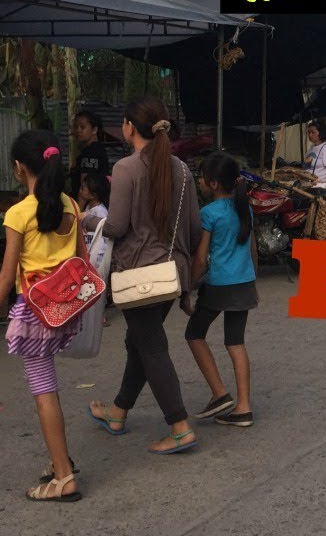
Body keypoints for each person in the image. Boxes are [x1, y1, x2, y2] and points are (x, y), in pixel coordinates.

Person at [83, 97, 203, 455]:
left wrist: (86, 218)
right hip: (171, 273)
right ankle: (118, 411)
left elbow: (116, 226)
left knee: (150, 346)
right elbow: (194, 228)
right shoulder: (181, 169)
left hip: (137, 273)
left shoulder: (126, 169)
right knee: (139, 342)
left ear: (129, 127)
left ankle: (180, 427)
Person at [0, 130, 84, 502]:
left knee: (44, 392)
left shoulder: (19, 213)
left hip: (34, 313)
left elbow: (7, 275)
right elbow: (82, 259)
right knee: (47, 386)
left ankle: (64, 477)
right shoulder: (70, 205)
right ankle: (59, 461)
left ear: (19, 168)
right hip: (64, 308)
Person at [185, 152, 259, 428]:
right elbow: (252, 249)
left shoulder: (209, 213)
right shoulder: (245, 208)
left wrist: (189, 288)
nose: (200, 182)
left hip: (219, 285)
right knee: (235, 343)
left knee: (194, 333)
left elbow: (201, 259)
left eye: (202, 178)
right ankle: (243, 407)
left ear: (213, 183)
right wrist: (254, 282)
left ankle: (219, 393)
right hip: (244, 283)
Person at [77, 171, 113, 325]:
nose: (80, 190)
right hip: (87, 255)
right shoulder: (88, 208)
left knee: (97, 287)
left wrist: (98, 260)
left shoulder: (101, 213)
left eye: (83, 188)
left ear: (92, 195)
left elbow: (104, 240)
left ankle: (99, 315)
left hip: (96, 257)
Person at [69, 111, 110, 195]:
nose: (78, 130)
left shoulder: (91, 152)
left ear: (94, 130)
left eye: (82, 127)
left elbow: (86, 187)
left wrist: (80, 207)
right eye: (76, 127)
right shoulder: (98, 149)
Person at [303, 123, 326, 187]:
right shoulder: (310, 149)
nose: (310, 135)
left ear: (321, 133)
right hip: (313, 185)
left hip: (323, 187)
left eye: (313, 132)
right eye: (309, 132)